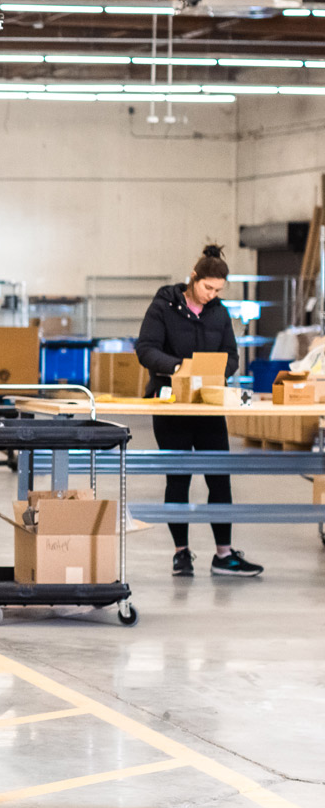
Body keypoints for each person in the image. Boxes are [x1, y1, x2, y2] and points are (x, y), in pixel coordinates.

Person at [135, 245, 262, 578]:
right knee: (178, 478)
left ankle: (224, 554)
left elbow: (231, 355)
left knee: (218, 476)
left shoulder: (219, 313)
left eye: (218, 290)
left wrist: (218, 371)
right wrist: (179, 368)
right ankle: (181, 553)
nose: (211, 295)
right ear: (193, 278)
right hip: (172, 405)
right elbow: (145, 349)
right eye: (208, 288)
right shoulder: (163, 306)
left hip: (208, 406)